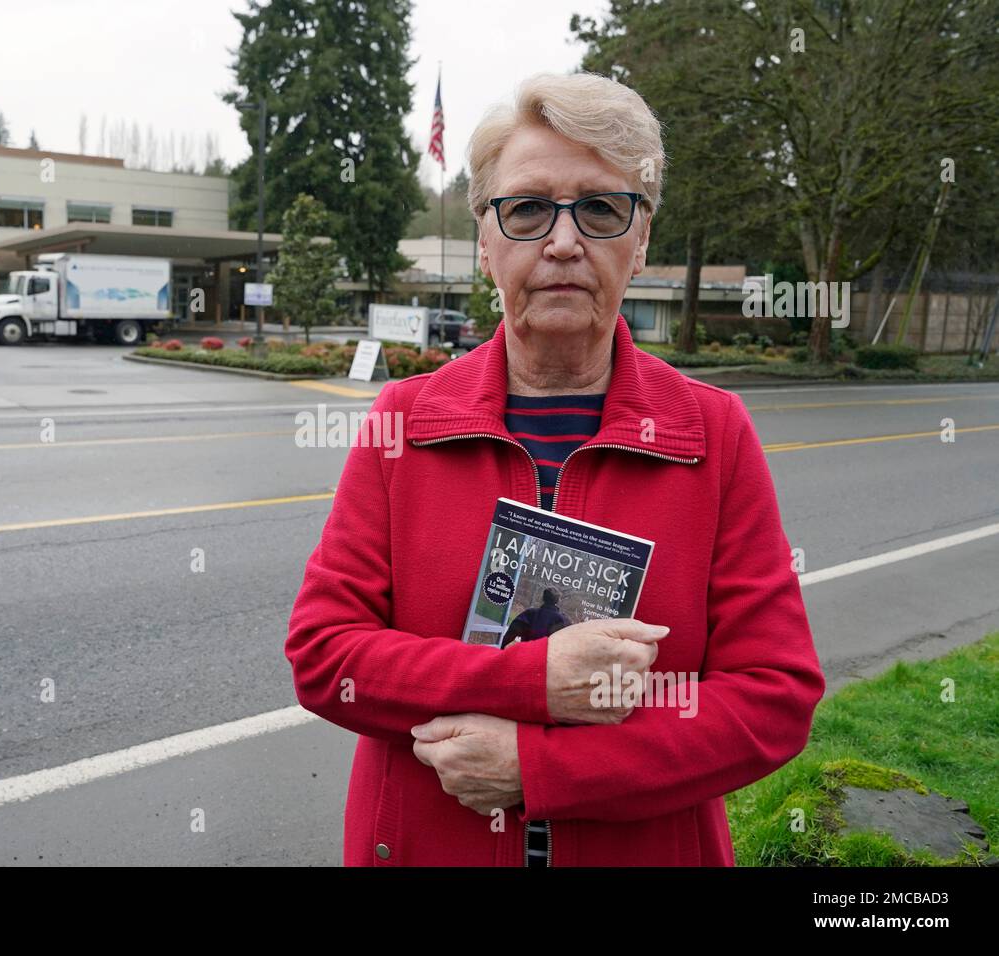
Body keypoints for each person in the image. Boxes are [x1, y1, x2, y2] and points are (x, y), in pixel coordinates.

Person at [285, 71, 825, 867]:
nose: (564, 242)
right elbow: (327, 655)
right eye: (529, 208)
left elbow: (771, 701)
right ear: (484, 240)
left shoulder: (713, 433)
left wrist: (541, 768)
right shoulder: (403, 421)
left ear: (639, 240)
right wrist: (532, 680)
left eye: (601, 209)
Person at [499, 589, 568, 649]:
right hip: (546, 659)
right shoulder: (563, 620)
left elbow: (513, 631)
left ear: (543, 598)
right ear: (558, 601)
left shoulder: (530, 614)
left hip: (526, 654)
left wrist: (502, 647)